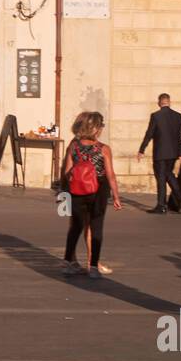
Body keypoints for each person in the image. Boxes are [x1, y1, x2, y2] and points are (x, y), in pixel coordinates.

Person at [61, 110, 122, 278]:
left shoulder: (74, 146)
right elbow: (110, 175)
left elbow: (67, 172)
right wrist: (116, 196)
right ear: (95, 129)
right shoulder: (103, 149)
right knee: (96, 227)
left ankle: (67, 262)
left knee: (76, 226)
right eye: (101, 126)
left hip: (76, 190)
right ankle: (93, 267)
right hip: (98, 190)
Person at [137, 93, 181, 213]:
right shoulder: (178, 116)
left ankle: (161, 205)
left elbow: (150, 133)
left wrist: (142, 149)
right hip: (173, 153)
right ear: (169, 102)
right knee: (169, 174)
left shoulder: (156, 116)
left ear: (159, 102)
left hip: (160, 153)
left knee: (161, 178)